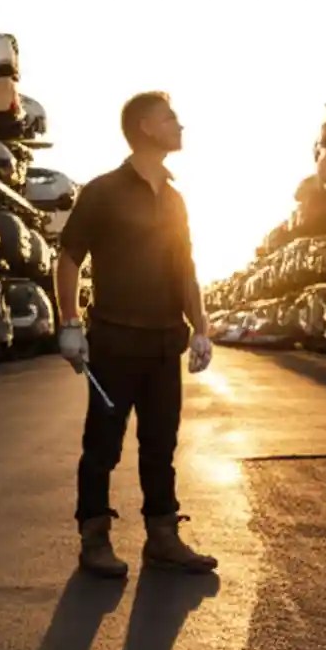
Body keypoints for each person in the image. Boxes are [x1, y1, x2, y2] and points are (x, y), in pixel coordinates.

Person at [54, 91, 217, 578]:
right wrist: (69, 324)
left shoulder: (175, 198)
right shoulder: (103, 191)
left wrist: (201, 328)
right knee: (102, 444)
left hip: (165, 342)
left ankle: (163, 537)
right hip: (114, 341)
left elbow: (185, 268)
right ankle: (95, 537)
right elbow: (67, 258)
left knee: (161, 444)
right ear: (145, 126)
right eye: (171, 117)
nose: (180, 125)